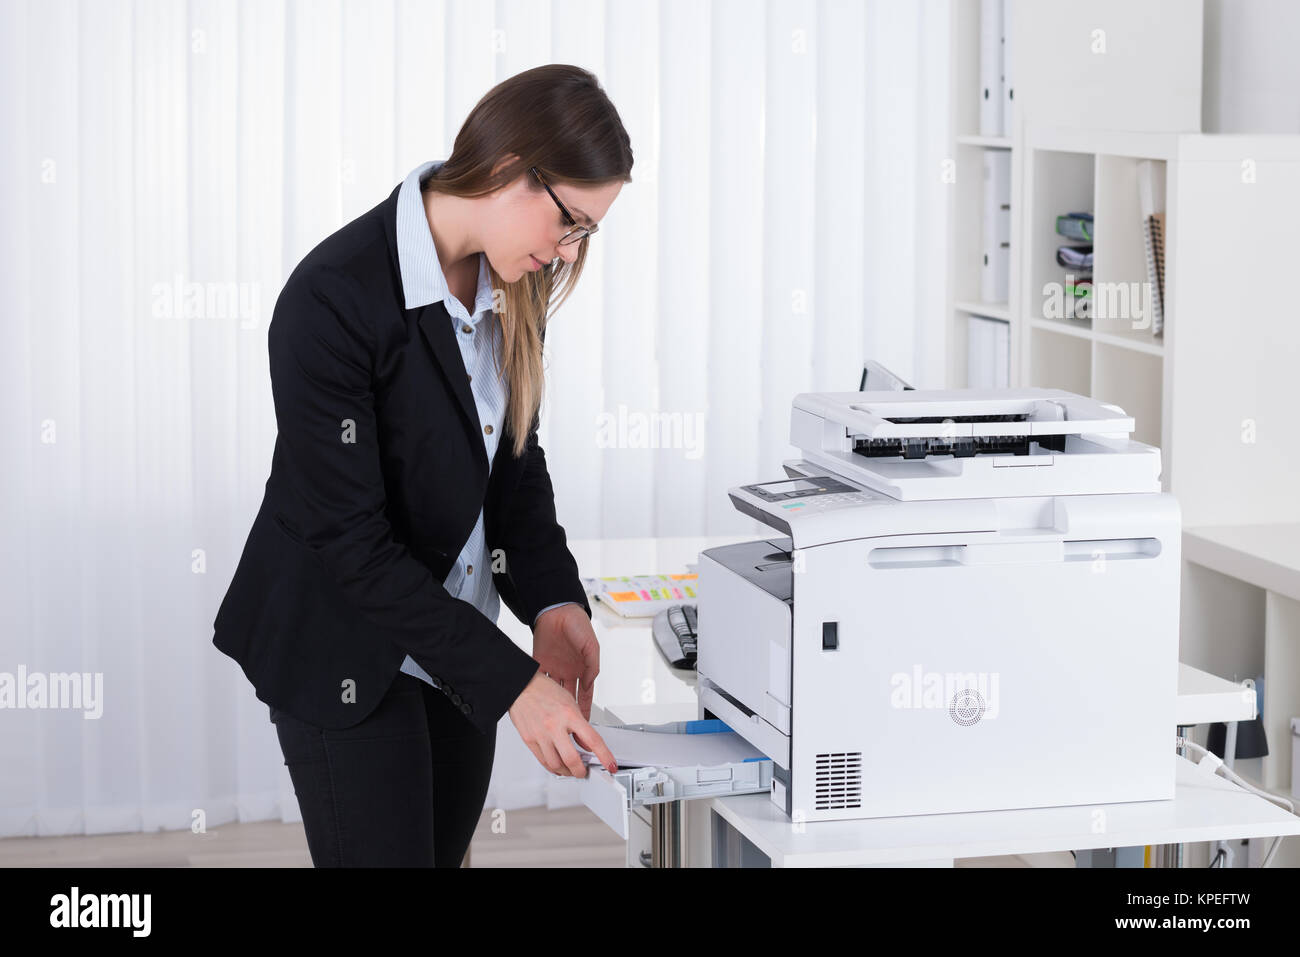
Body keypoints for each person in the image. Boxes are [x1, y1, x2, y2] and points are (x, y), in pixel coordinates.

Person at [212, 64, 631, 867]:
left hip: (454, 651)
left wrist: (552, 601)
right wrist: (515, 684)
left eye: (587, 233)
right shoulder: (333, 298)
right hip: (346, 649)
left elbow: (513, 463)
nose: (568, 251)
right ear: (513, 169)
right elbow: (351, 544)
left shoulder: (513, 280)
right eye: (571, 222)